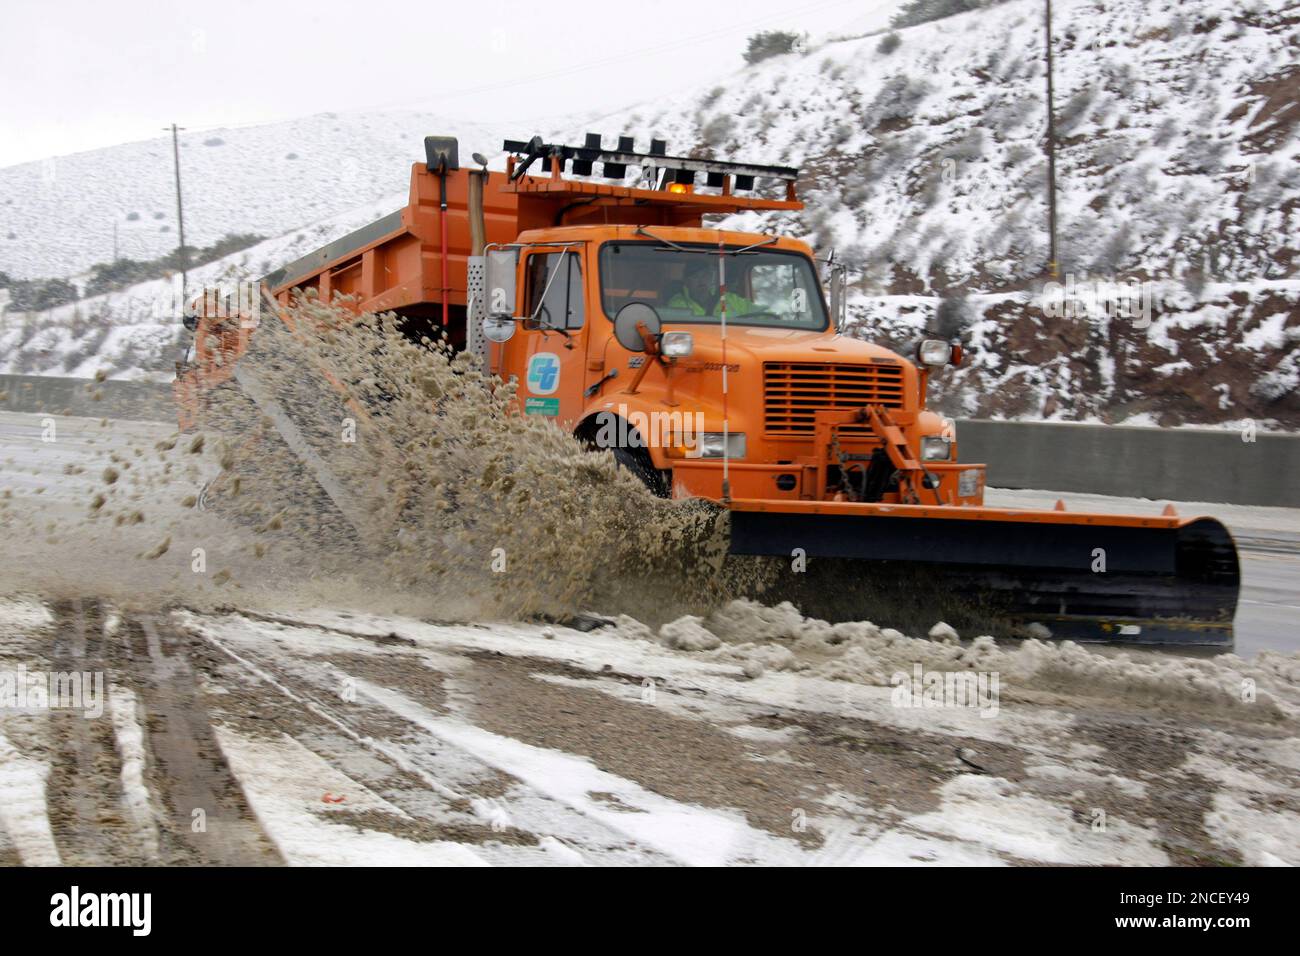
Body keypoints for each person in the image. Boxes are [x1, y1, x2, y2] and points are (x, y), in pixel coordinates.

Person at [667, 261, 754, 317]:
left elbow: (760, 314)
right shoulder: (677, 304)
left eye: (705, 275)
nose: (702, 280)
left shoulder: (731, 299)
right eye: (695, 277)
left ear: (710, 278)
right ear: (686, 282)